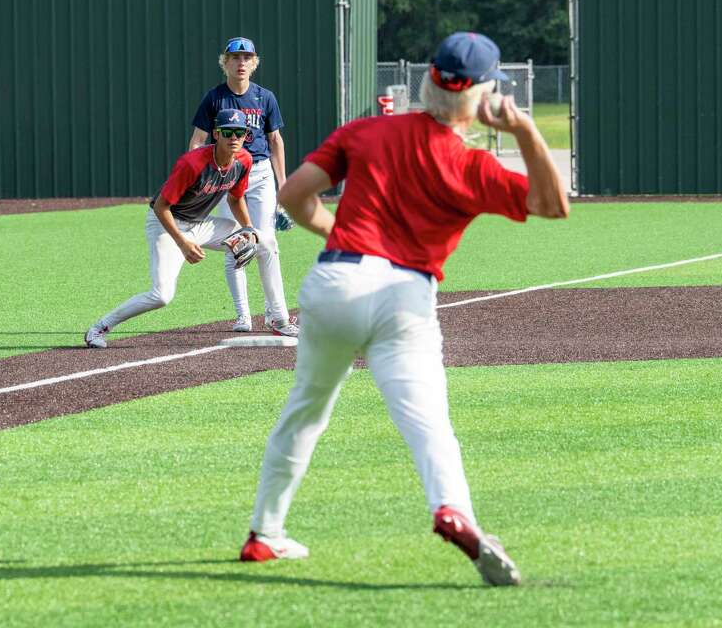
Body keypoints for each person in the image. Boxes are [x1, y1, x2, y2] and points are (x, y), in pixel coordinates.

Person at [237, 32, 569, 586]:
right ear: (483, 96)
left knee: (306, 411)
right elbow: (552, 205)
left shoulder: (366, 129)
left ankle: (264, 534)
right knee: (430, 425)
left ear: (428, 80)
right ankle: (451, 509)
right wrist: (525, 129)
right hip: (405, 297)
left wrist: (336, 230)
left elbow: (295, 196)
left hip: (336, 279)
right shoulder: (472, 166)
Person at [84, 109, 285, 348]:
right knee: (161, 295)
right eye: (227, 132)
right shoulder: (192, 163)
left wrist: (249, 228)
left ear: (246, 136)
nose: (234, 137)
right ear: (216, 134)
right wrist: (183, 243)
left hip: (200, 224)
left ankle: (278, 316)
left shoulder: (244, 160)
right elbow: (161, 206)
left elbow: (235, 198)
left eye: (239, 132)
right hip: (167, 225)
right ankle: (99, 328)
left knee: (265, 241)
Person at [189, 36, 298, 337]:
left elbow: (275, 141)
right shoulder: (214, 98)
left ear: (254, 63)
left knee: (267, 242)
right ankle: (243, 315)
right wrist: (197, 178)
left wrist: (283, 183)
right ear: (225, 63)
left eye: (246, 57)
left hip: (260, 173)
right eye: (235, 58)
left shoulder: (265, 97)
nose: (241, 63)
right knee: (235, 243)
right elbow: (198, 141)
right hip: (226, 174)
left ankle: (277, 316)